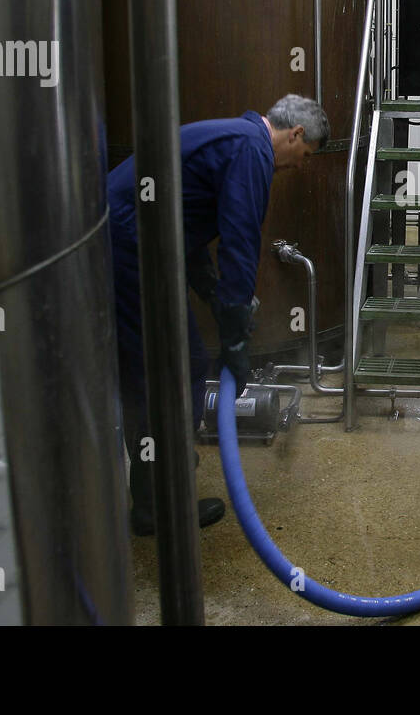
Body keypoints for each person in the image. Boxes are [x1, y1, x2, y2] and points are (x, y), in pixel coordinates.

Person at [108, 94, 329, 535]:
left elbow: (180, 221)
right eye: (303, 156)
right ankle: (158, 502)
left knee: (152, 370)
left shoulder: (233, 136)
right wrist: (234, 340)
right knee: (178, 368)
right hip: (129, 247)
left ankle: (155, 471)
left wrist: (210, 291)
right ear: (295, 134)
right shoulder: (252, 151)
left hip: (127, 239)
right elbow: (239, 243)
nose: (298, 166)